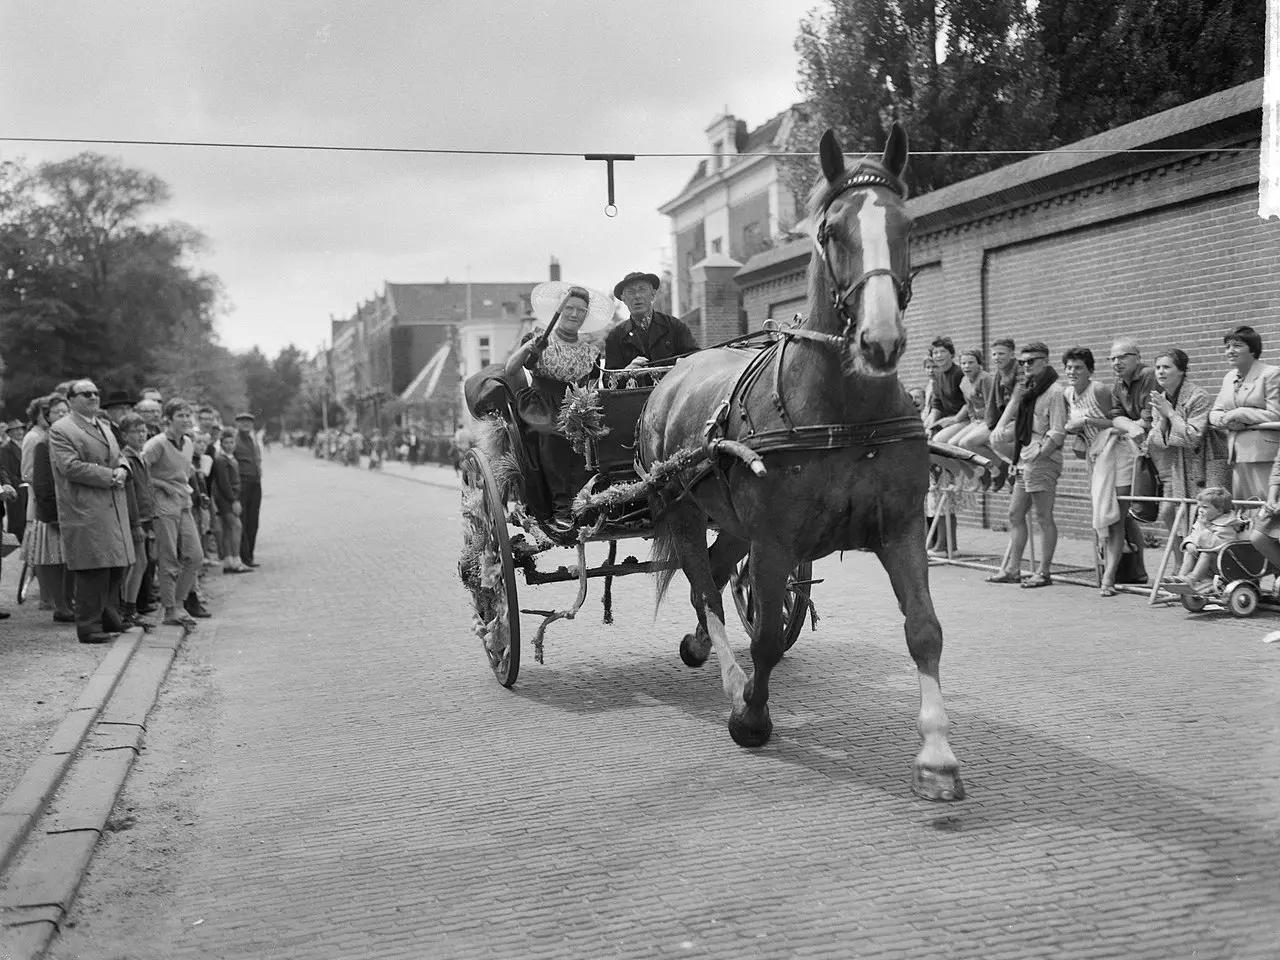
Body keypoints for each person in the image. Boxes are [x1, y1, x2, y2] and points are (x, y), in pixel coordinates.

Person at [506, 286, 604, 529]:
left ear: (586, 315)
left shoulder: (590, 351)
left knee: (596, 438)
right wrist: (529, 348)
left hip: (575, 405)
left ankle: (589, 502)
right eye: (569, 308)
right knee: (552, 435)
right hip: (540, 404)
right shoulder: (539, 338)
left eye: (581, 310)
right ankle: (561, 507)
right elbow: (511, 368)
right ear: (559, 310)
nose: (574, 314)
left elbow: (593, 384)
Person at [48, 380, 136, 644]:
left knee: (115, 567)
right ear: (71, 399)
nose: (94, 397)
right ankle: (88, 626)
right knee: (93, 569)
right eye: (86, 394)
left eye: (96, 393)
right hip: (85, 507)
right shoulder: (62, 429)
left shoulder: (104, 425)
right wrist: (110, 476)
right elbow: (70, 467)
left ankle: (108, 616)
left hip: (111, 506)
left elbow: (119, 455)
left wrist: (123, 469)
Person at [985, 342, 1066, 588]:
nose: (1026, 366)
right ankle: (1013, 569)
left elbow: (1058, 431)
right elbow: (1020, 421)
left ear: (1045, 361)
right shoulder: (1029, 388)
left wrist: (1039, 454)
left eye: (1031, 361)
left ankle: (1044, 572)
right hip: (1024, 460)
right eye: (1022, 362)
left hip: (1043, 461)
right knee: (1015, 513)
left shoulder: (1054, 391)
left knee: (1043, 516)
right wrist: (1017, 455)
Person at [1145, 348, 1225, 558]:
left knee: (1204, 518)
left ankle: (1201, 569)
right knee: (1169, 512)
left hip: (1204, 465)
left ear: (1181, 370)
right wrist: (1164, 419)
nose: (1160, 372)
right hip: (1178, 468)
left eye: (1166, 367)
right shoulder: (1160, 399)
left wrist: (1170, 413)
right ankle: (1180, 564)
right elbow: (1156, 441)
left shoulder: (1198, 396)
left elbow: (1192, 436)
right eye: (1157, 367)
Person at [1099, 338, 1158, 595]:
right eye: (1112, 358)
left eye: (1122, 357)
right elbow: (1115, 416)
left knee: (1168, 510)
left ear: (1137, 357)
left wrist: (1130, 425)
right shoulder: (1118, 384)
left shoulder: (1149, 376)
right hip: (1134, 454)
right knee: (1121, 513)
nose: (1116, 362)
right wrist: (1130, 425)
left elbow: (1149, 417)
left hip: (1160, 453)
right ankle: (1122, 574)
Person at [143, 398, 204, 628]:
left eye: (188, 415)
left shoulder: (188, 443)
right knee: (168, 557)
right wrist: (162, 484)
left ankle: (179, 603)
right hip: (163, 504)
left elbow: (185, 473)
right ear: (168, 419)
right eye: (180, 415)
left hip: (184, 502)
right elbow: (139, 471)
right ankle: (170, 609)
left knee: (195, 555)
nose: (186, 419)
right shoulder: (156, 444)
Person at [1209, 325, 1280, 501]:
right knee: (1244, 507)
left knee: (1266, 506)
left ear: (1253, 350)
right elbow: (1214, 412)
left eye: (1237, 346)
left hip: (1264, 454)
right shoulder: (1228, 377)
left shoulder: (1271, 374)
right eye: (1227, 347)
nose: (1230, 351)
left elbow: (1275, 414)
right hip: (1236, 454)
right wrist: (1225, 420)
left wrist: (1240, 413)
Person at [28, 395, 77, 624]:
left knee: (69, 560)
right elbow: (41, 482)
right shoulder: (44, 443)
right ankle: (60, 605)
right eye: (57, 412)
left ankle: (67, 602)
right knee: (54, 560)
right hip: (52, 511)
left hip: (70, 508)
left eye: (65, 411)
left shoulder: (69, 439)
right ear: (48, 417)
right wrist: (51, 514)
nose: (62, 415)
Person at [603, 271, 698, 370]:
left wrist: (685, 363)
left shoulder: (675, 326)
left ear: (653, 294)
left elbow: (698, 359)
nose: (637, 296)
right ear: (624, 299)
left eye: (642, 289)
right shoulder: (616, 336)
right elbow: (609, 377)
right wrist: (627, 371)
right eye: (631, 292)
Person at [1168, 487, 1248, 592]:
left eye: (1205, 507)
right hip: (1209, 565)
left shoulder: (1227, 525)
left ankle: (1192, 579)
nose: (1200, 510)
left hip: (1225, 564)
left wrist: (1204, 527)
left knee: (1206, 553)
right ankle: (1181, 577)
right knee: (1191, 552)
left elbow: (1217, 545)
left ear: (1219, 510)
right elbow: (1193, 535)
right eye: (1199, 506)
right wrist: (1189, 543)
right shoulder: (1203, 521)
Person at [118, 413, 156, 629]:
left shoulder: (141, 457)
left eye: (143, 431)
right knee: (138, 563)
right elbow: (130, 495)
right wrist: (136, 524)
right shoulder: (127, 459)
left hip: (146, 516)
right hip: (136, 519)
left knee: (141, 563)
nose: (142, 435)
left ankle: (129, 608)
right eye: (136, 431)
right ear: (124, 435)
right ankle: (128, 609)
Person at [210, 427, 249, 574]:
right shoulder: (221, 460)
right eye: (226, 442)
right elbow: (224, 483)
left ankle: (228, 562)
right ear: (221, 444)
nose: (229, 445)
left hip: (230, 497)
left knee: (227, 529)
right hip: (226, 499)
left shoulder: (232, 459)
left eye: (232, 442)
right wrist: (233, 500)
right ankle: (236, 560)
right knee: (236, 526)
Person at [234, 412, 263, 568]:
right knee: (243, 521)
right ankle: (244, 557)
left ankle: (249, 555)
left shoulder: (252, 440)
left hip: (255, 484)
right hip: (242, 484)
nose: (246, 424)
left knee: (253, 521)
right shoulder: (234, 441)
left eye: (249, 422)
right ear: (237, 423)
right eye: (242, 421)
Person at [923, 336, 964, 437]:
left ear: (951, 354)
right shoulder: (937, 377)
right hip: (947, 418)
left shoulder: (959, 373)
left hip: (963, 418)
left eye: (943, 351)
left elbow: (969, 402)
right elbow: (937, 404)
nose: (939, 355)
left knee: (938, 439)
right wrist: (931, 426)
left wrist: (955, 419)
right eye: (935, 352)